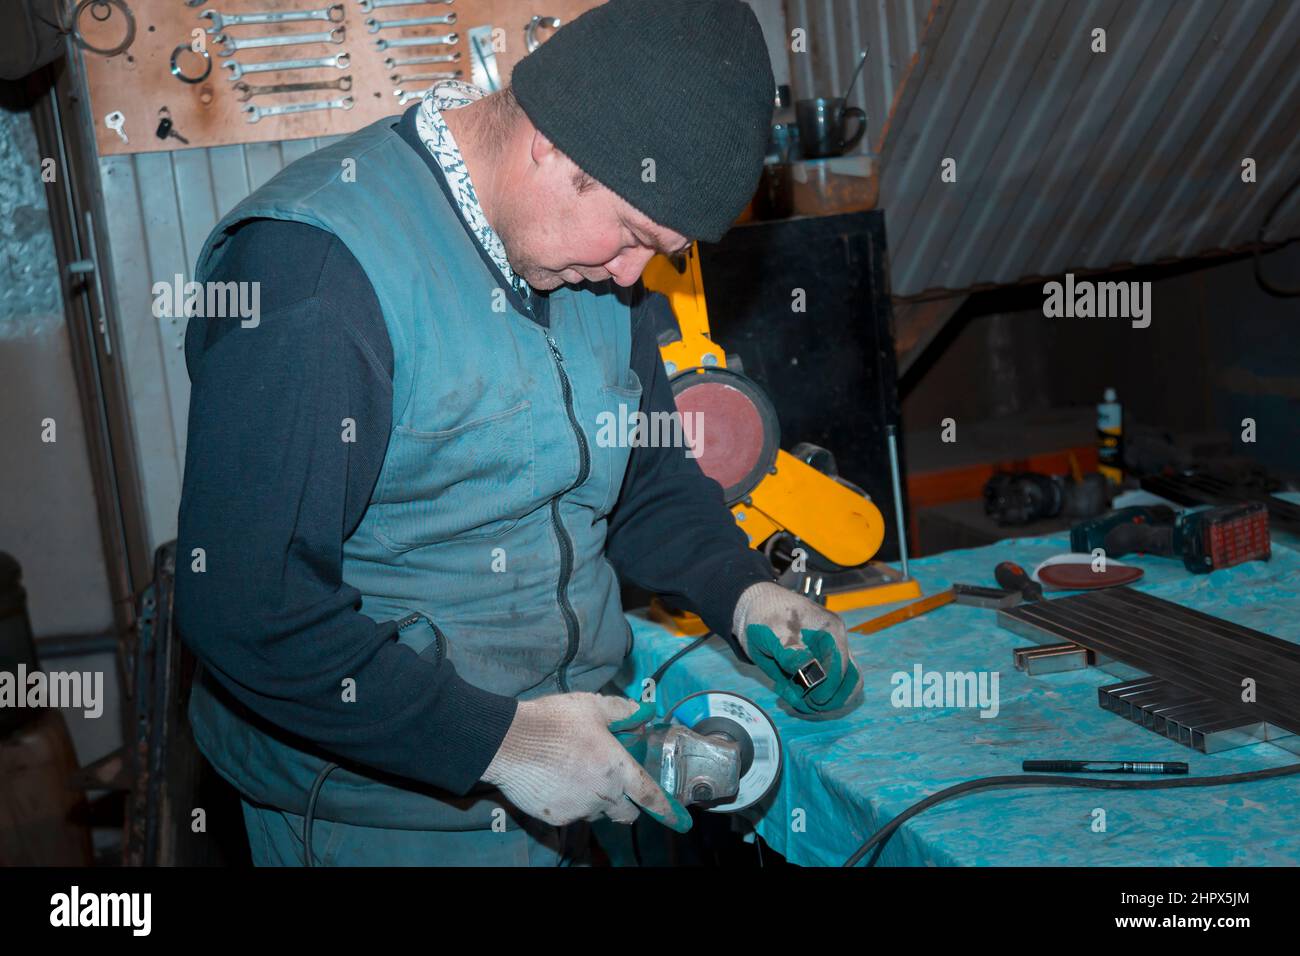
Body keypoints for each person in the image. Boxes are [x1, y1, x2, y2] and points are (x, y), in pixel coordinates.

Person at [175, 0, 860, 867]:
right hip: (375, 819)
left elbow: (645, 480)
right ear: (551, 144)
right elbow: (246, 606)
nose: (631, 274)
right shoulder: (314, 277)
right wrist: (500, 744)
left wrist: (741, 592)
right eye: (635, 237)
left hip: (568, 785)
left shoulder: (588, 259)